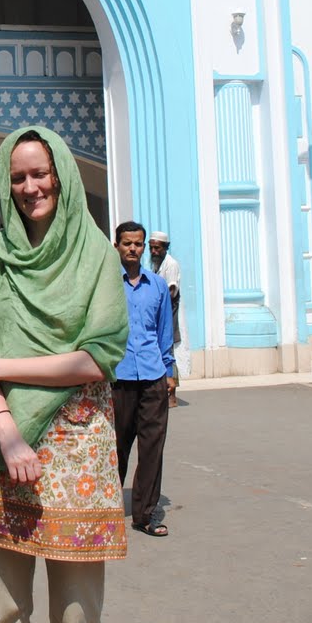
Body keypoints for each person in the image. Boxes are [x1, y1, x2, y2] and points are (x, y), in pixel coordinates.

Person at [0, 127, 129, 623]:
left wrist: (4, 367)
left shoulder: (96, 253)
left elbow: (98, 358)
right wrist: (7, 430)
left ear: (61, 176)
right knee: (4, 616)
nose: (29, 187)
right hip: (0, 449)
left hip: (78, 453)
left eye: (39, 173)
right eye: (17, 177)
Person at [111, 221, 175, 538]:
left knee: (152, 447)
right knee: (117, 447)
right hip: (118, 377)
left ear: (144, 245)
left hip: (153, 375)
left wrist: (170, 372)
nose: (133, 249)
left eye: (138, 243)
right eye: (126, 243)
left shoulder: (158, 286)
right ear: (117, 245)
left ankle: (145, 514)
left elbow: (165, 332)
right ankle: (107, 510)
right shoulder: (107, 285)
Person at [146, 231, 185, 406]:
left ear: (165, 248)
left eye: (157, 248)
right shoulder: (155, 264)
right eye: (151, 247)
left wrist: (155, 304)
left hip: (170, 312)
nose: (154, 251)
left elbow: (170, 290)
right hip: (160, 313)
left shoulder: (171, 264)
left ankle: (172, 395)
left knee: (169, 351)